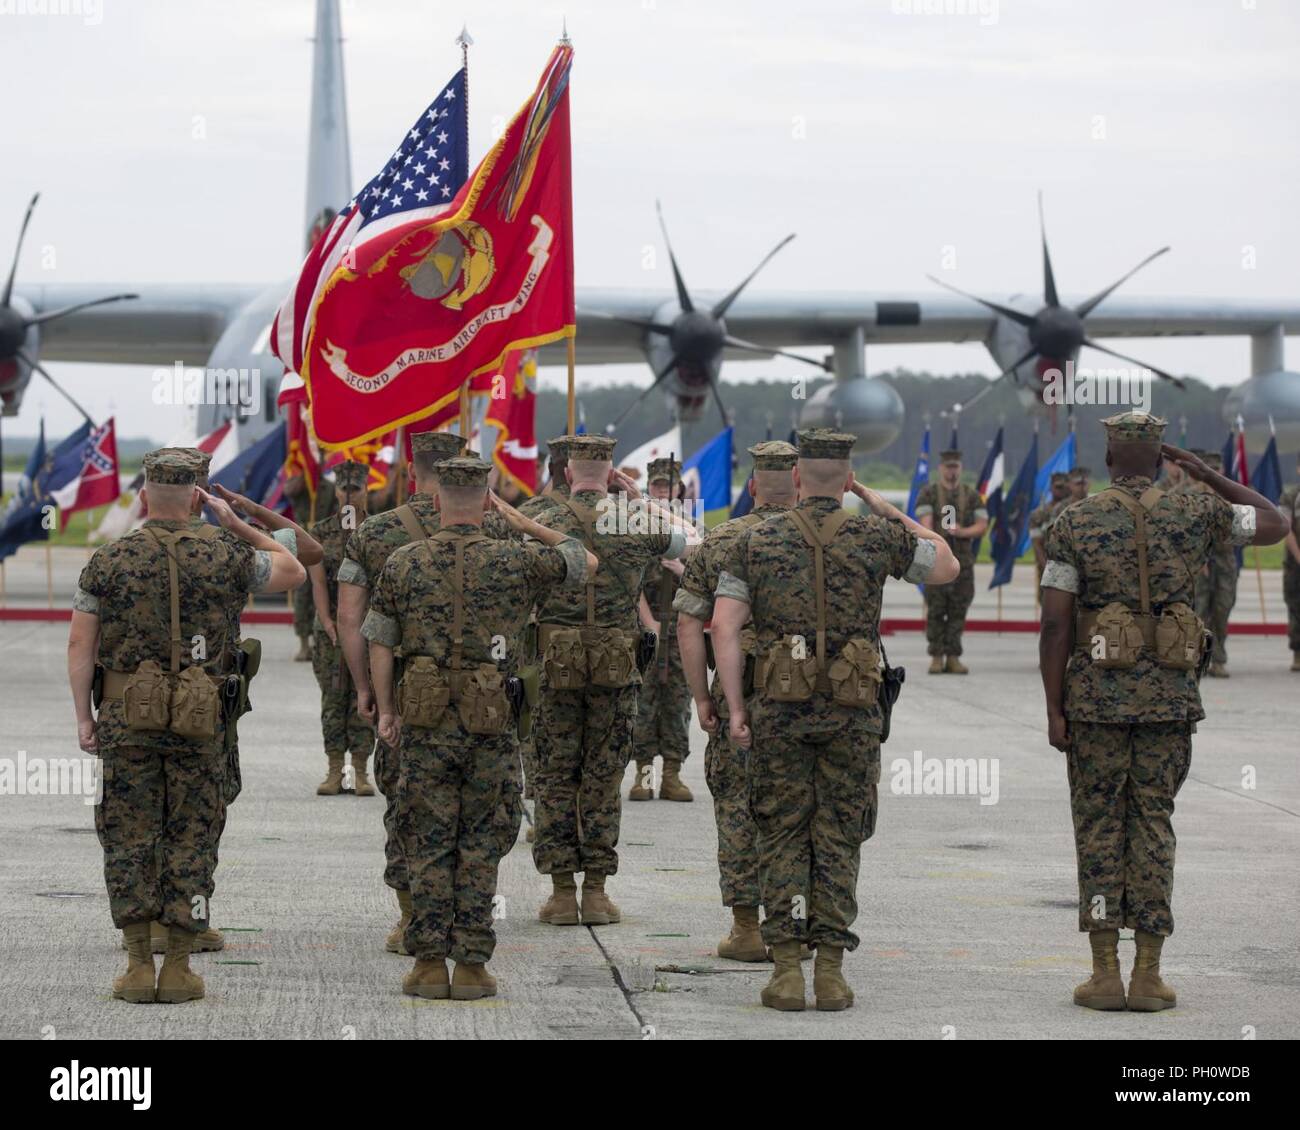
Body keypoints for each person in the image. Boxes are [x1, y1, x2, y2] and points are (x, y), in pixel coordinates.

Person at [1039, 413, 1287, 1013]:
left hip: (1095, 701)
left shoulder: (1074, 520)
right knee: (1153, 824)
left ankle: (1103, 973)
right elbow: (1277, 523)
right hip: (1169, 703)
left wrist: (1054, 708)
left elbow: (1055, 622)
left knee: (1099, 828)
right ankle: (1149, 975)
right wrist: (1207, 475)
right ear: (1160, 459)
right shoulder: (1195, 511)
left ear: (1107, 458)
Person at [711, 429, 959, 1012]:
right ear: (848, 480)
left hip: (779, 712)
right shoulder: (876, 535)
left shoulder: (756, 539)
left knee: (781, 834)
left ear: (796, 477)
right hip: (852, 716)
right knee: (840, 836)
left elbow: (723, 627)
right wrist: (887, 508)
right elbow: (945, 564)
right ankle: (831, 973)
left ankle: (787, 973)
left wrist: (737, 710)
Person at [68, 450, 304, 1004]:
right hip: (202, 722)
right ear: (197, 497)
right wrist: (236, 523)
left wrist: (84, 717)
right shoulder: (227, 554)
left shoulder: (108, 558)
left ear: (145, 496)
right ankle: (177, 966)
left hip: (129, 718)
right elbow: (292, 566)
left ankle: (134, 965)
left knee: (128, 836)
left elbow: (81, 643)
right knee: (192, 837)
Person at [362, 456, 596, 1000]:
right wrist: (522, 521)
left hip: (423, 722)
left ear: (437, 500)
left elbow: (379, 639)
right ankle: (470, 964)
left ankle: (427, 964)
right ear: (488, 501)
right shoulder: (517, 560)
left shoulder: (403, 561)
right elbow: (583, 561)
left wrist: (388, 711)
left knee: (427, 838)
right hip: (491, 724)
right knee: (481, 843)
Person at [336, 430, 516, 954]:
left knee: (410, 808)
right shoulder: (500, 530)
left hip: (412, 701)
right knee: (481, 819)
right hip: (488, 702)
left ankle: (413, 921)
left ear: (411, 472)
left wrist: (368, 690)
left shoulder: (374, 533)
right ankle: (469, 934)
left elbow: (353, 619)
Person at [530, 435, 696, 927]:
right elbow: (690, 540)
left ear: (564, 474)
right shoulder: (636, 519)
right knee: (604, 776)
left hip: (554, 667)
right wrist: (637, 498)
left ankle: (561, 894)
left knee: (556, 777)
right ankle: (597, 893)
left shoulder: (538, 518)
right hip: (615, 666)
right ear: (610, 475)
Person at [674, 440, 797, 961]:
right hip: (808, 697)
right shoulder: (825, 537)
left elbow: (688, 625)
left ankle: (747, 929)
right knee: (800, 813)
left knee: (738, 808)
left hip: (737, 692)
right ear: (798, 483)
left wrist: (703, 698)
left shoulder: (721, 541)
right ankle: (796, 926)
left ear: (751, 487)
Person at [308, 461, 375, 796]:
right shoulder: (321, 531)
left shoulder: (376, 530)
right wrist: (327, 621)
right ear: (335, 491)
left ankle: (361, 771)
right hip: (331, 630)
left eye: (356, 489)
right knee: (333, 699)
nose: (350, 495)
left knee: (365, 697)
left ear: (367, 489)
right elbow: (318, 583)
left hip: (366, 629)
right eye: (344, 489)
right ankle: (335, 770)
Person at [630, 456, 694, 803]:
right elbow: (630, 582)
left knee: (677, 700)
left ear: (679, 490)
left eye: (668, 486)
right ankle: (643, 775)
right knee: (643, 699)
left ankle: (672, 774)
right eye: (656, 486)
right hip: (647, 625)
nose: (662, 491)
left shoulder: (691, 529)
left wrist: (682, 569)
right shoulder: (635, 527)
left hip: (681, 627)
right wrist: (647, 622)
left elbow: (708, 581)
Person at [915, 448, 988, 674]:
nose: (952, 471)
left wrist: (962, 532)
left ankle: (953, 656)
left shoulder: (971, 495)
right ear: (941, 468)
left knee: (958, 610)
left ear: (960, 468)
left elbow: (982, 525)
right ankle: (936, 656)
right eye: (948, 467)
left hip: (963, 563)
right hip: (936, 562)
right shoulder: (929, 493)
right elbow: (924, 524)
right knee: (936, 609)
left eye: (955, 466)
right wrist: (939, 538)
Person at [1188, 452, 1239, 678]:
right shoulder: (1190, 497)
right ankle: (1197, 658)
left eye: (1218, 470)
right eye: (1210, 469)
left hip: (1225, 561)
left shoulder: (1231, 496)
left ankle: (1218, 659)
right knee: (1198, 611)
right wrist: (1196, 560)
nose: (1214, 474)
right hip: (1199, 562)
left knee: (1222, 608)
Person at [286, 472, 337, 661]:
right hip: (301, 539)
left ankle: (319, 640)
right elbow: (289, 491)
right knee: (302, 592)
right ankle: (303, 644)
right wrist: (304, 476)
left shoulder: (329, 487)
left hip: (322, 540)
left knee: (323, 589)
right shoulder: (299, 482)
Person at [1029, 472, 1070, 575]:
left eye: (1065, 487)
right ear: (1051, 488)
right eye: (1058, 487)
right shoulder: (1039, 514)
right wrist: (1048, 570)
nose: (1062, 490)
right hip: (1048, 567)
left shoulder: (1074, 510)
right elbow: (1037, 545)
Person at [1281, 457, 1300, 671]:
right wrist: (1298, 556)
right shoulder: (1291, 496)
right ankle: (1298, 653)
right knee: (1296, 607)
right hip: (1296, 566)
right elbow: (1286, 528)